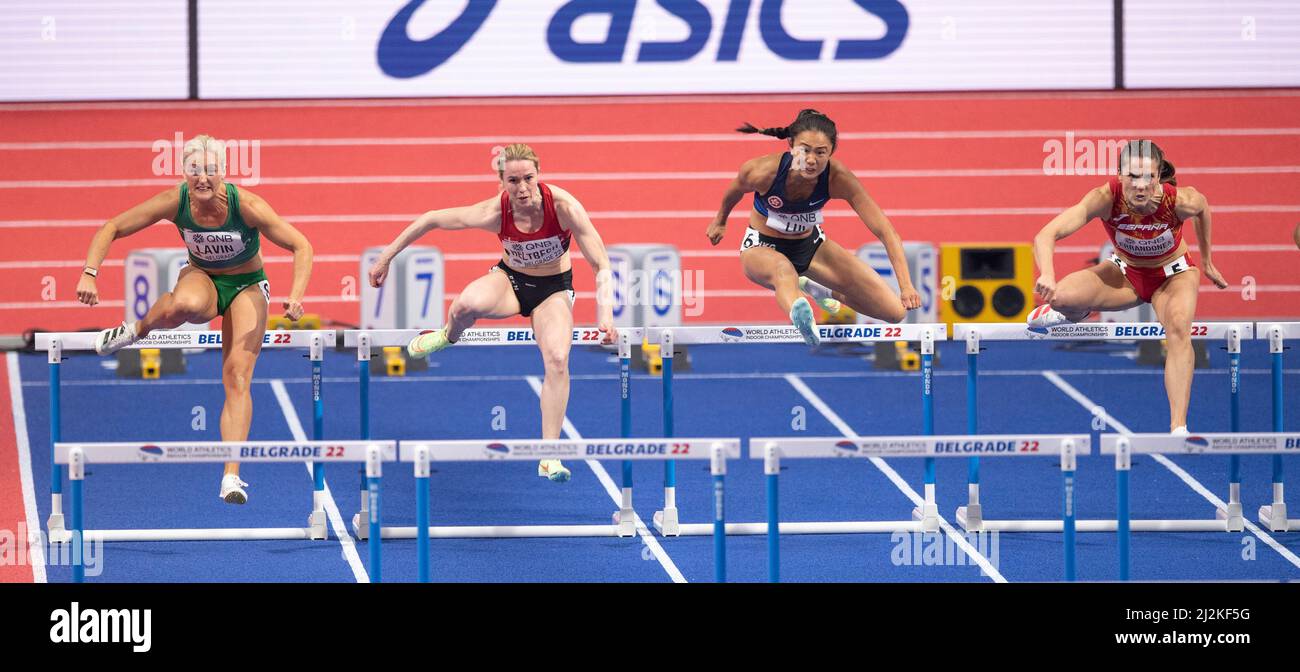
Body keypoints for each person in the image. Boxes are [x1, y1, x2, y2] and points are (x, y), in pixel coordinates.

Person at [77, 135, 314, 504]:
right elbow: (113, 226)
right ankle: (135, 330)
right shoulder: (177, 200)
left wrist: (296, 295)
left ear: (223, 171)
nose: (202, 178)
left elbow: (302, 246)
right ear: (184, 173)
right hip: (202, 278)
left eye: (211, 170)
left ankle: (231, 478)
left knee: (237, 374)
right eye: (194, 170)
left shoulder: (247, 205)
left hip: (247, 285)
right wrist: (90, 272)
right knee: (182, 304)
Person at [368, 143, 617, 483]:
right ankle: (445, 336)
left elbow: (600, 261)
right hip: (510, 281)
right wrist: (386, 257)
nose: (523, 188)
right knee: (465, 304)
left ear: (539, 174)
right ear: (502, 182)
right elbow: (430, 219)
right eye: (513, 181)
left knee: (558, 358)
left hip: (554, 289)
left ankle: (549, 456)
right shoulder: (494, 212)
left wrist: (607, 314)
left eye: (529, 178)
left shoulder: (564, 207)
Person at [1028, 139, 1228, 433]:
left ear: (1158, 177)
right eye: (1133, 176)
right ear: (1120, 175)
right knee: (1060, 297)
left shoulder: (1180, 201)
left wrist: (1207, 260)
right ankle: (1075, 312)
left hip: (1173, 277)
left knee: (1177, 329)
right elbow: (1046, 235)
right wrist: (1047, 273)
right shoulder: (1104, 198)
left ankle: (1178, 428)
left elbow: (1203, 209)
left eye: (1148, 177)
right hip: (1125, 275)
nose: (1140, 185)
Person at [705, 108, 919, 345]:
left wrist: (906, 286)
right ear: (790, 144)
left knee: (894, 312)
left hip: (811, 246)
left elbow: (886, 231)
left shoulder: (838, 179)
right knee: (783, 271)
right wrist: (720, 221)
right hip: (762, 247)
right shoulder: (761, 171)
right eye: (804, 150)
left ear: (831, 152)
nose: (810, 160)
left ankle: (819, 288)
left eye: (820, 153)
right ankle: (803, 319)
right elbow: (734, 191)